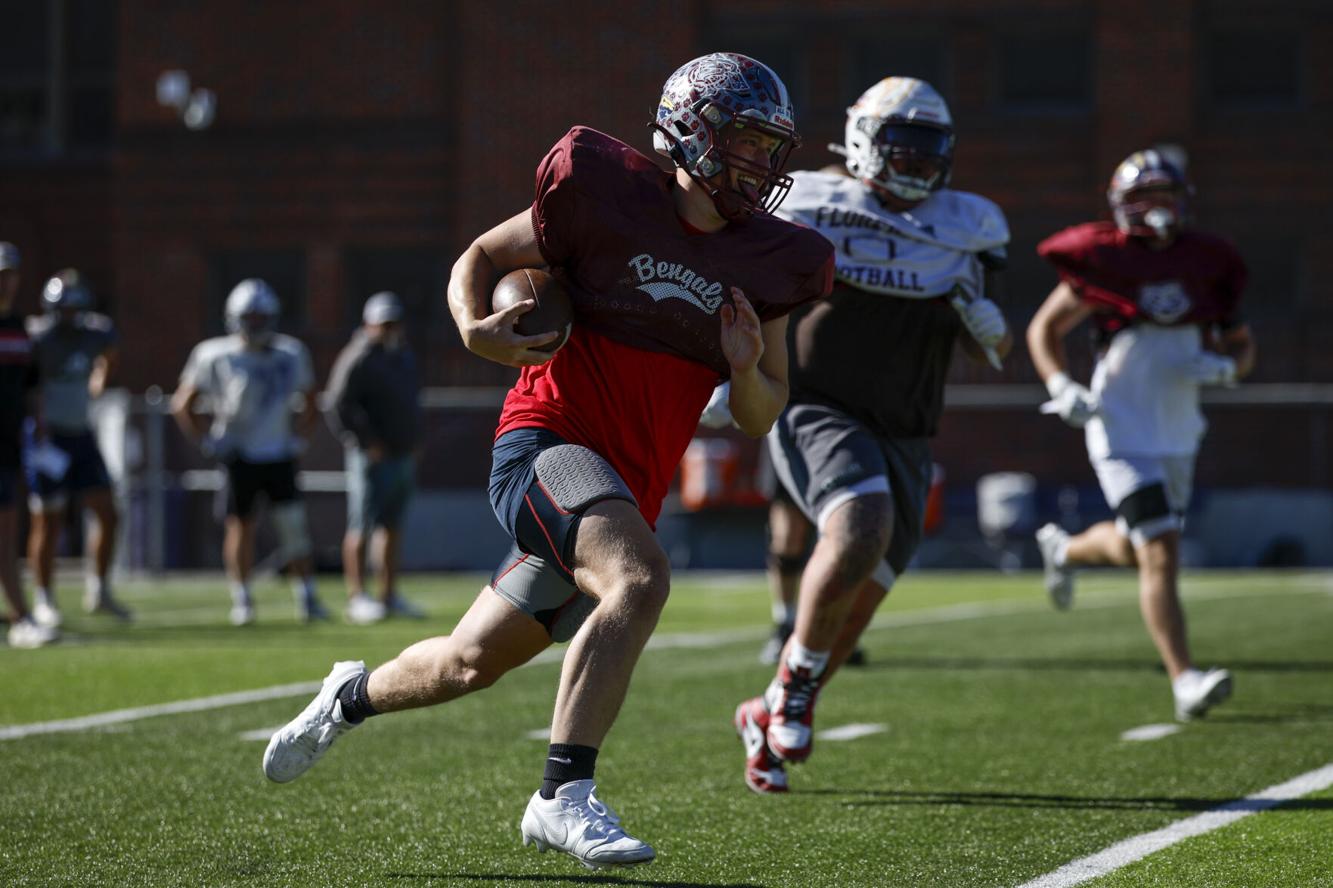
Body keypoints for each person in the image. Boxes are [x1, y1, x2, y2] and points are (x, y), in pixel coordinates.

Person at [262, 52, 833, 868]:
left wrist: (743, 365)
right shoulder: (603, 195)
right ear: (688, 130)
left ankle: (343, 699)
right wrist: (470, 327)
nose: (756, 164)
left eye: (767, 147)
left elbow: (761, 413)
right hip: (546, 446)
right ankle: (562, 797)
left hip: (620, 490)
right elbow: (481, 258)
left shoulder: (770, 259)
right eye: (742, 141)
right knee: (638, 580)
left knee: (464, 665)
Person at [731, 76, 1012, 794]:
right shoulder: (809, 200)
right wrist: (726, 370)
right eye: (902, 150)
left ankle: (768, 707)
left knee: (864, 592)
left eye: (928, 154)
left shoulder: (966, 223)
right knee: (858, 527)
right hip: (815, 402)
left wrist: (988, 336)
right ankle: (792, 686)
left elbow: (986, 343)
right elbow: (741, 282)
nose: (916, 167)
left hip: (907, 423)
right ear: (861, 141)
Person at [1027, 147, 1255, 722]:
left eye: (1165, 198)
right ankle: (1185, 680)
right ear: (1121, 207)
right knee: (1161, 551)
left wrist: (1230, 368)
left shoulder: (1208, 263)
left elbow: (1242, 343)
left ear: (1183, 204)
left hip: (1179, 428)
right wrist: (1061, 384)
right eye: (1142, 198)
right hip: (1121, 428)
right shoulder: (1104, 261)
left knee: (1140, 547)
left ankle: (1067, 549)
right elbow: (1043, 330)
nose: (1155, 210)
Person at [170, 279, 329, 626]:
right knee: (240, 527)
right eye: (250, 317)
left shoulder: (290, 352)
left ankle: (307, 595)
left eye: (261, 317)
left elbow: (312, 400)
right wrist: (207, 441)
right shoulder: (213, 353)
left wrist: (301, 436)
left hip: (278, 451)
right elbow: (183, 403)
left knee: (293, 528)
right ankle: (241, 597)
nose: (255, 324)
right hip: (238, 453)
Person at [25, 268, 130, 626]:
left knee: (108, 513)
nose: (70, 315)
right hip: (48, 437)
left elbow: (111, 353)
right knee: (49, 519)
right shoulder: (38, 338)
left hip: (82, 434)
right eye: (64, 308)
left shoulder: (95, 332)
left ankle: (98, 589)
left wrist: (99, 379)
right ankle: (43, 598)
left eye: (75, 308)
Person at [325, 291, 424, 624]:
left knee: (392, 526)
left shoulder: (403, 355)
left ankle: (388, 594)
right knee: (361, 525)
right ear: (369, 324)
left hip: (401, 453)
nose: (391, 328)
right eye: (385, 323)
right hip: (371, 457)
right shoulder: (358, 356)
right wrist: (366, 441)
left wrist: (413, 439)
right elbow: (337, 404)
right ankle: (357, 597)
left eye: (395, 321)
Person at [1, 243, 56, 647]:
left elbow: (32, 384)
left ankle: (20, 613)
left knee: (8, 530)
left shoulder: (21, 327)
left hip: (8, 444)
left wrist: (38, 423)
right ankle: (20, 613)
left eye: (9, 273)